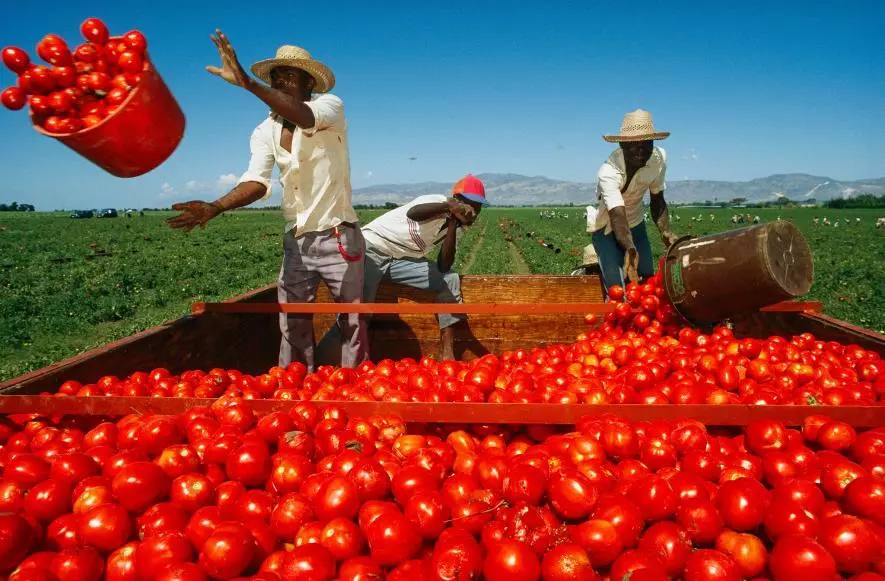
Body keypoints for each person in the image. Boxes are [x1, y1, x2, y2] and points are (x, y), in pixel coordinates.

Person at [166, 32, 366, 372]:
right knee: (292, 324)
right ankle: (295, 390)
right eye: (276, 77)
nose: (281, 81)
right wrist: (215, 207)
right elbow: (257, 182)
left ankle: (356, 387)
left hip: (338, 236)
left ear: (308, 83)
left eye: (290, 76)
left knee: (352, 322)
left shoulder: (330, 108)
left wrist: (246, 83)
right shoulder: (264, 131)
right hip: (297, 239)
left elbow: (303, 116)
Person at [320, 175, 487, 362]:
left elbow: (444, 265)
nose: (474, 212)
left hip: (397, 260)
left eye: (478, 208)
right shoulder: (436, 202)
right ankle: (322, 361)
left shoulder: (455, 227)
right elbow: (413, 213)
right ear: (458, 200)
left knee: (448, 279)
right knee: (359, 313)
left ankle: (446, 355)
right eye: (471, 205)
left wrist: (454, 223)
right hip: (371, 250)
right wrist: (448, 208)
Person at [590, 109, 678, 297]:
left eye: (646, 145)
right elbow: (617, 215)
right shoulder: (608, 172)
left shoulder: (658, 159)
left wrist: (665, 231)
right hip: (607, 227)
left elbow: (657, 199)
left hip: (636, 222)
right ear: (622, 144)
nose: (640, 151)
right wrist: (629, 249)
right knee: (617, 290)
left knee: (646, 281)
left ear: (653, 143)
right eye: (632, 146)